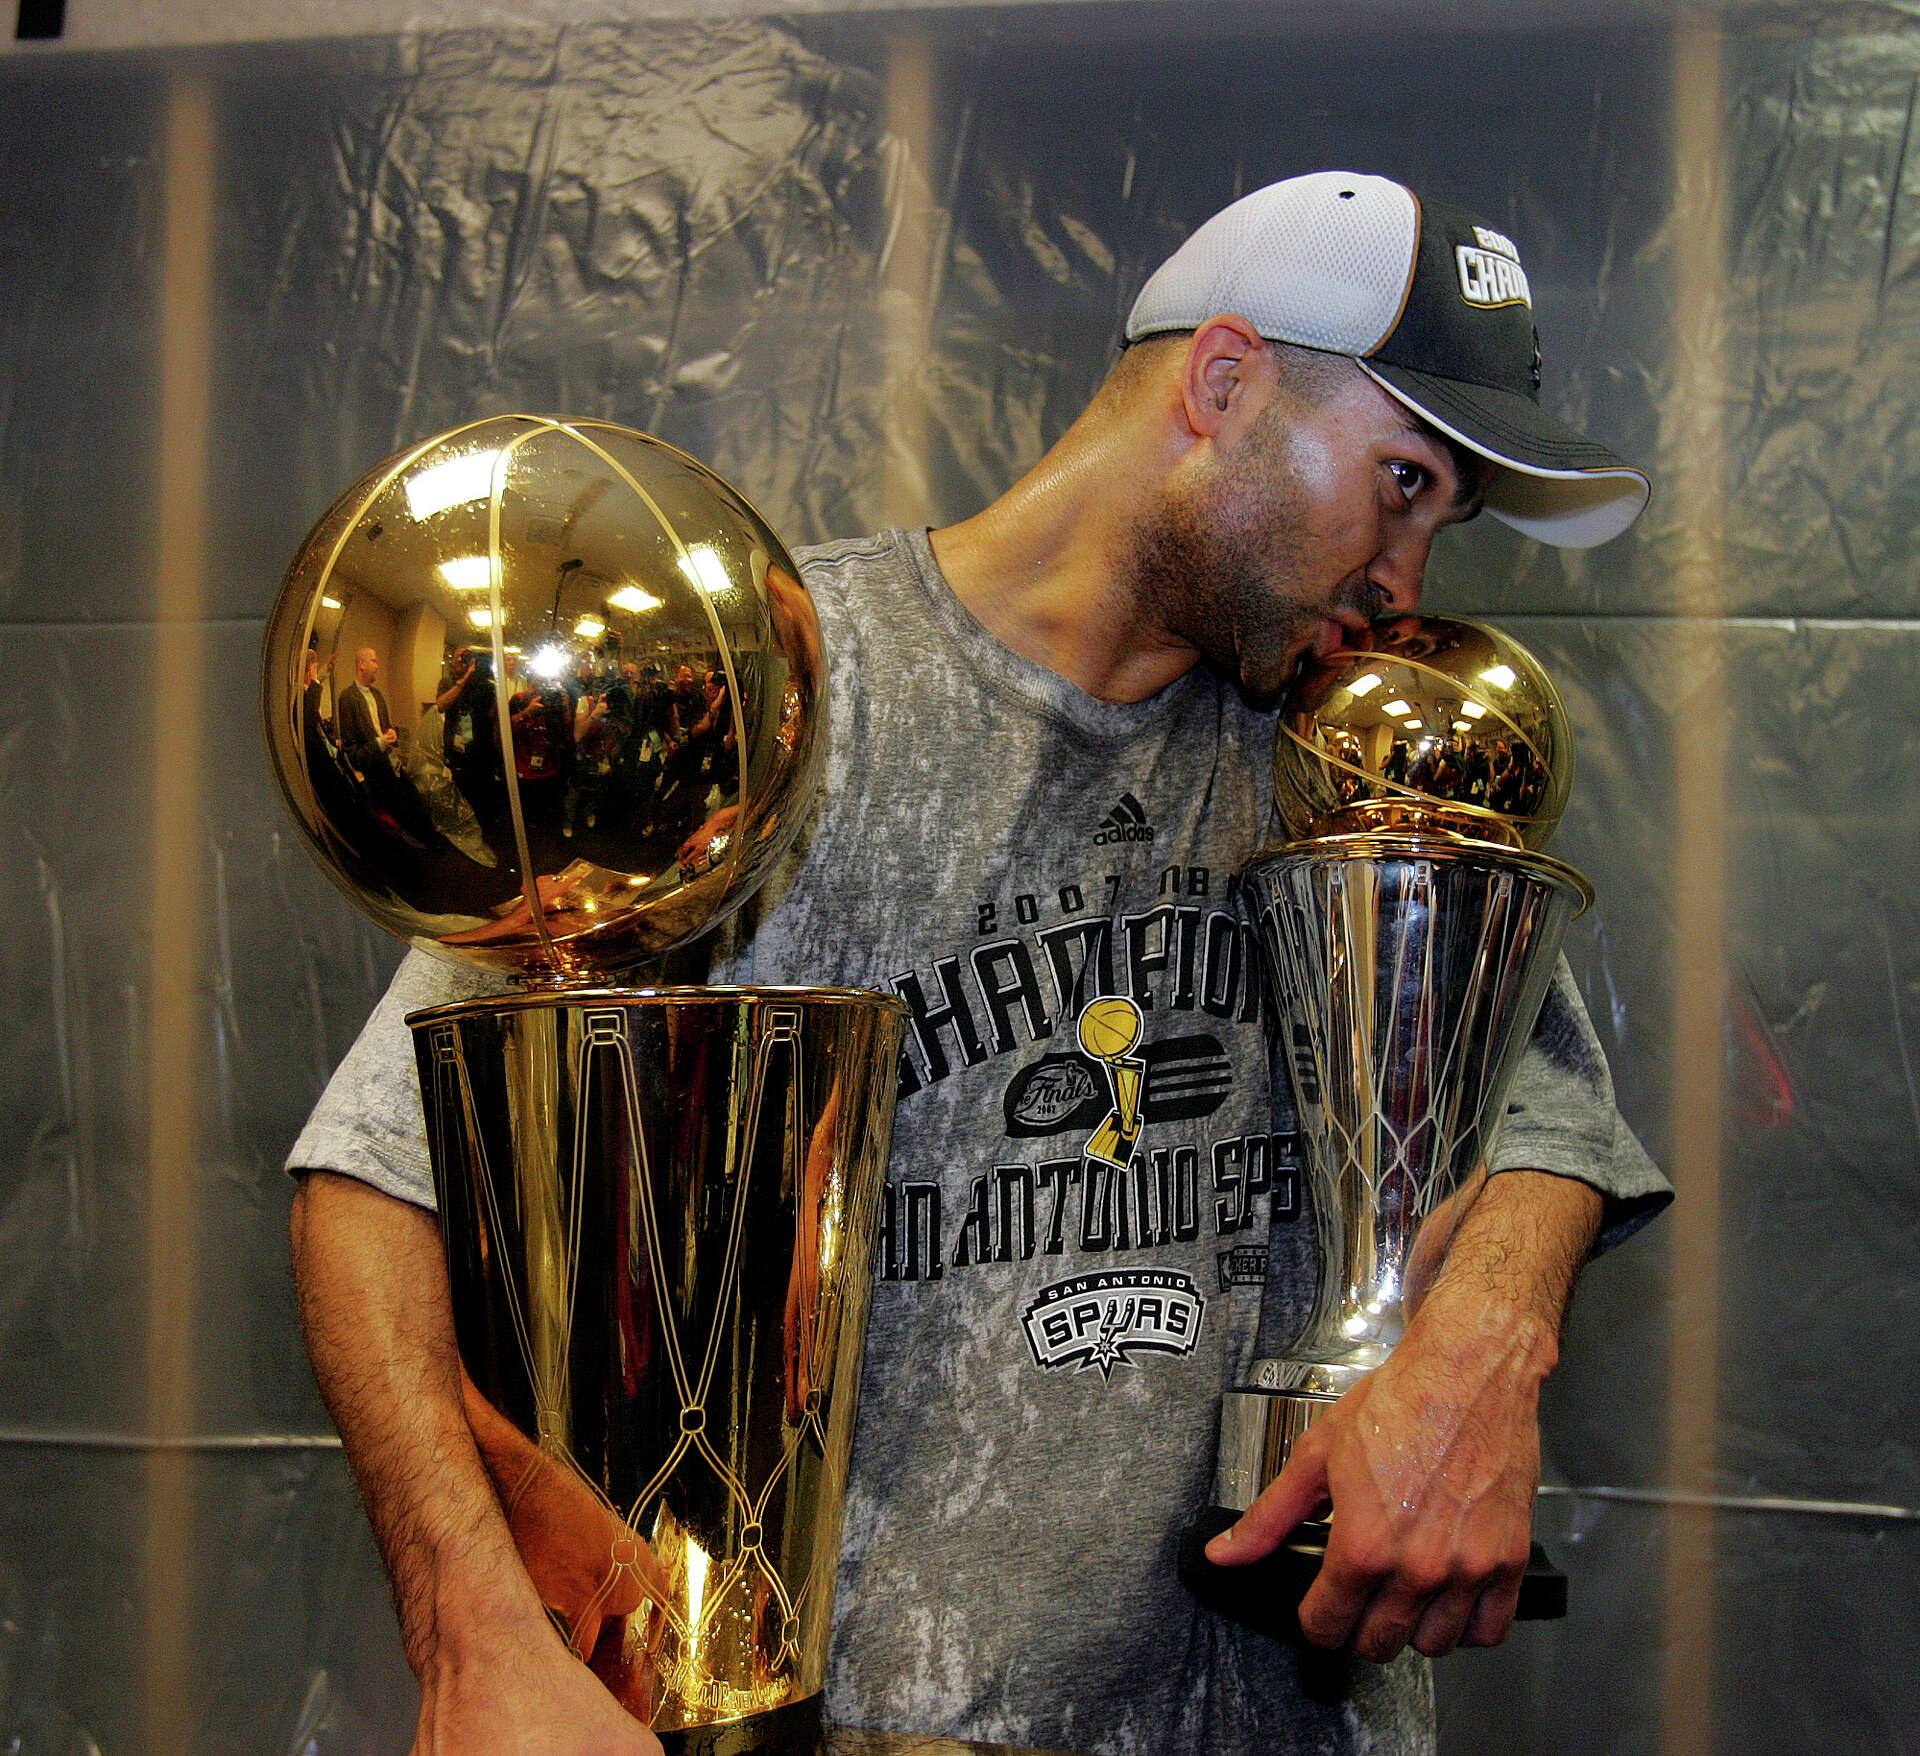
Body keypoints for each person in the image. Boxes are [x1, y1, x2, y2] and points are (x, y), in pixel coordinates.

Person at [287, 172, 1669, 1756]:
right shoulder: (763, 691)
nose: (1407, 581)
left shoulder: (1351, 735)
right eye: (1402, 483)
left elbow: (1547, 1121)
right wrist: (472, 1629)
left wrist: (1487, 1345)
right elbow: (374, 1182)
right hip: (843, 1717)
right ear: (1224, 382)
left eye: (1441, 522)